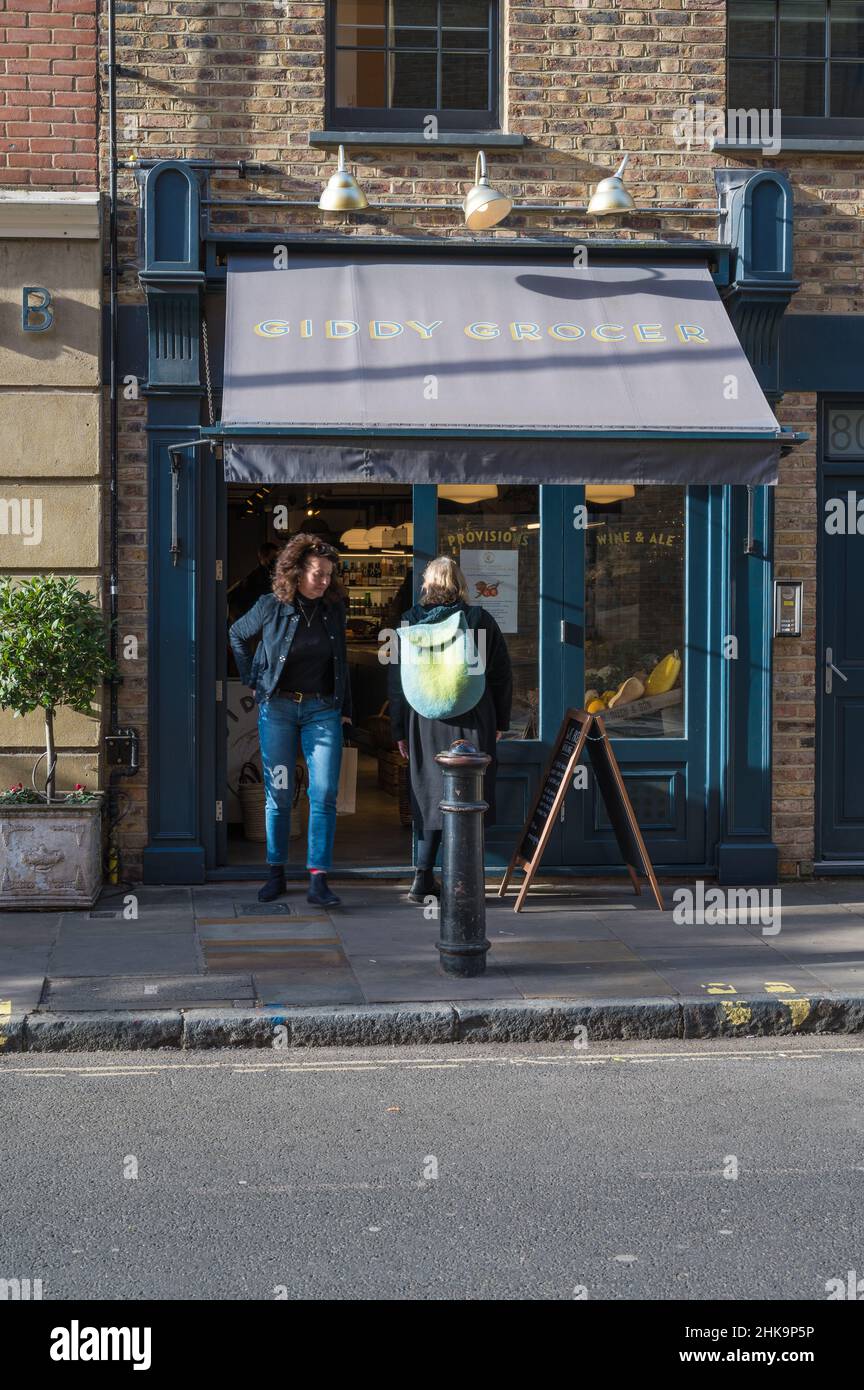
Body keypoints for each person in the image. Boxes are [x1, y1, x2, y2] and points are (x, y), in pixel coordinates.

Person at [229, 534, 352, 907]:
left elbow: (341, 662)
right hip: (279, 710)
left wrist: (346, 708)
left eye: (329, 574)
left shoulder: (334, 609)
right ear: (297, 572)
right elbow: (235, 634)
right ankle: (276, 871)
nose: (325, 581)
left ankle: (318, 879)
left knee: (325, 793)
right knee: (279, 796)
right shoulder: (271, 605)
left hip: (322, 711)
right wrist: (253, 679)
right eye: (318, 574)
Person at [388, 555, 512, 905]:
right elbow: (501, 675)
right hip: (473, 719)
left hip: (424, 719)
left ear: (426, 585)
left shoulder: (410, 622)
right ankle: (465, 882)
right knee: (470, 797)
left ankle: (422, 879)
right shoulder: (479, 621)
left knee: (430, 796)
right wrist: (501, 721)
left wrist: (398, 729)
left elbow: (397, 683)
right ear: (460, 584)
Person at [227, 541, 281, 625]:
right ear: (264, 558)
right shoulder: (259, 577)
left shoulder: (264, 574)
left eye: (277, 557)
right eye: (274, 557)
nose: (277, 560)